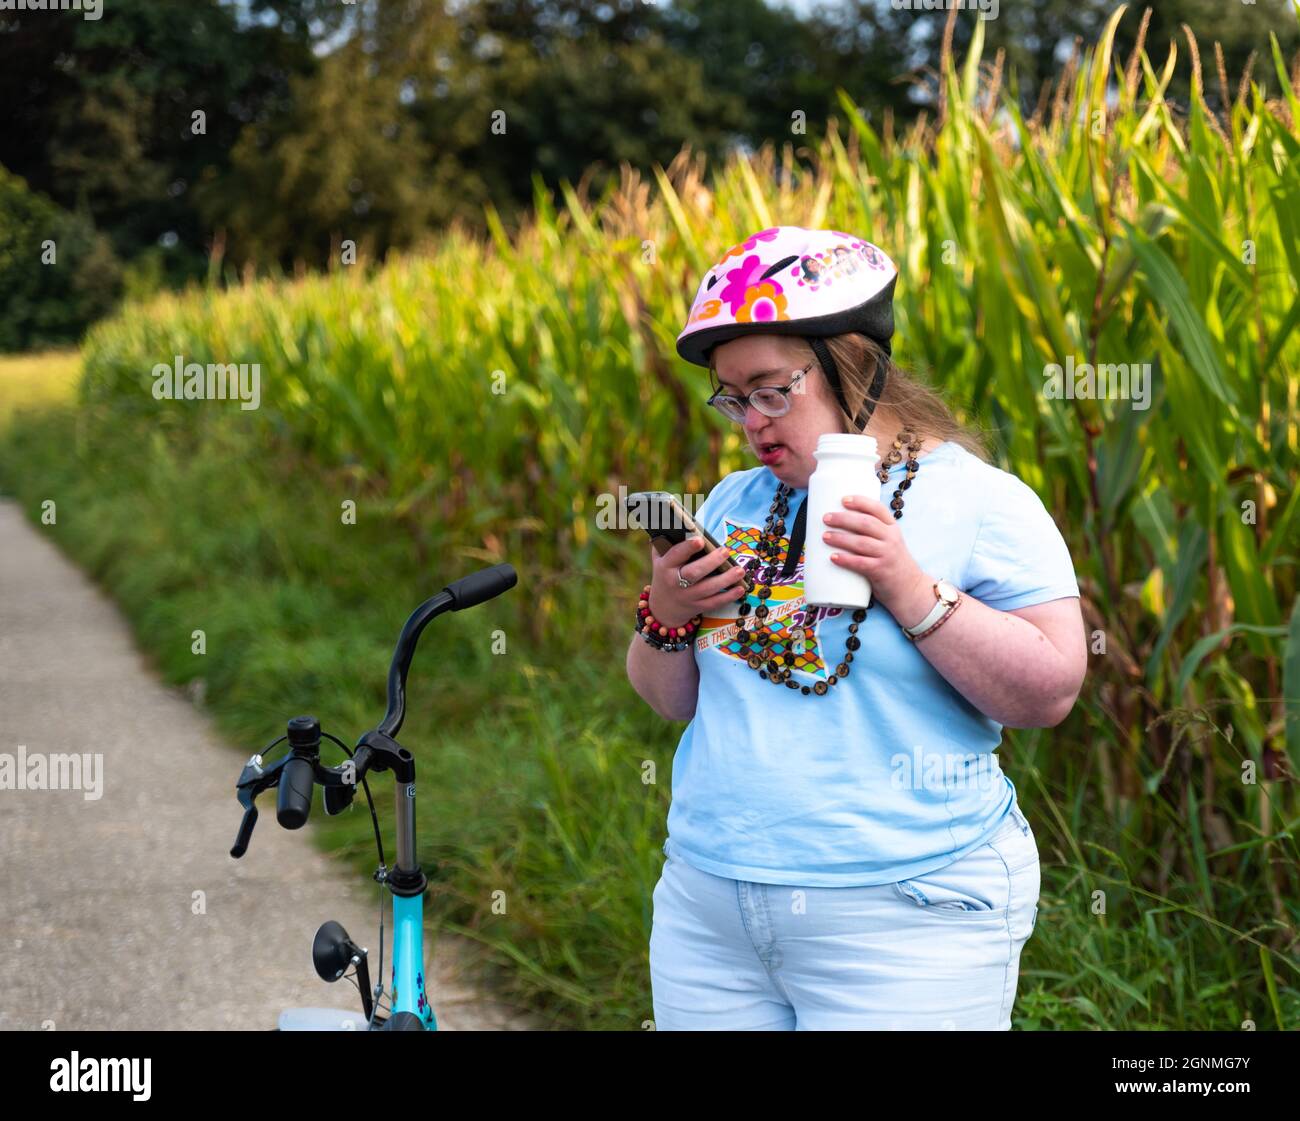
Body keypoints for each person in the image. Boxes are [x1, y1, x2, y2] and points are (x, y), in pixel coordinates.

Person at [626, 225, 1087, 1030]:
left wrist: (908, 586)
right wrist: (666, 614)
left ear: (853, 365)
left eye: (774, 390)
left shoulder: (981, 500)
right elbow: (671, 701)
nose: (753, 423)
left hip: (907, 917)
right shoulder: (734, 503)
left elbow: (1051, 688)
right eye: (734, 398)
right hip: (710, 908)